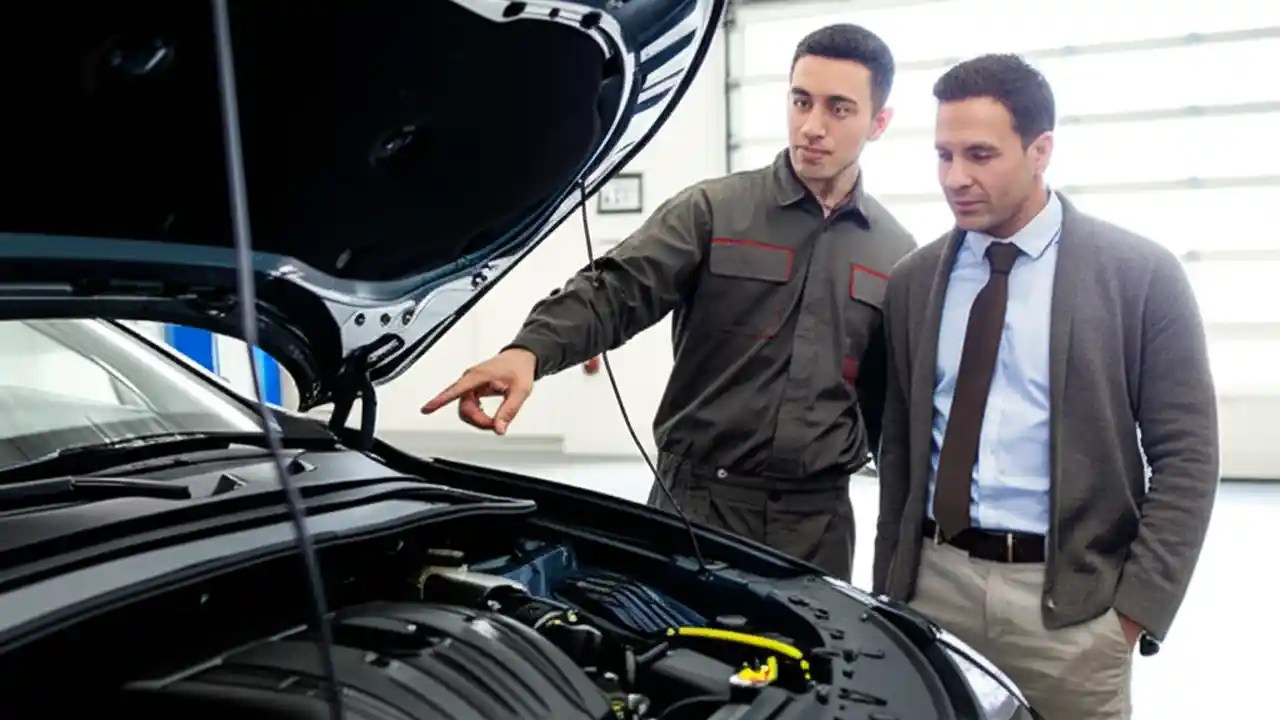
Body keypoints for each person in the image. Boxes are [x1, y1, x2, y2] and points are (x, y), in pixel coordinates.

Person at [421, 24, 917, 581]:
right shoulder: (712, 211)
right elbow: (617, 289)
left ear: (879, 123)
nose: (811, 126)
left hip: (819, 523)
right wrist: (530, 351)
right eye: (800, 101)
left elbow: (891, 411)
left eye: (839, 109)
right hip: (700, 504)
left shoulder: (896, 254)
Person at [871, 53, 1219, 718]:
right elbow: (899, 450)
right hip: (932, 592)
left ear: (1041, 151)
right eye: (943, 155)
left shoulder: (1140, 276)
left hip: (1072, 609)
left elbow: (1189, 457)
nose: (956, 178)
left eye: (980, 154)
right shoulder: (914, 282)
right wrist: (894, 587)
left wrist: (1131, 616)